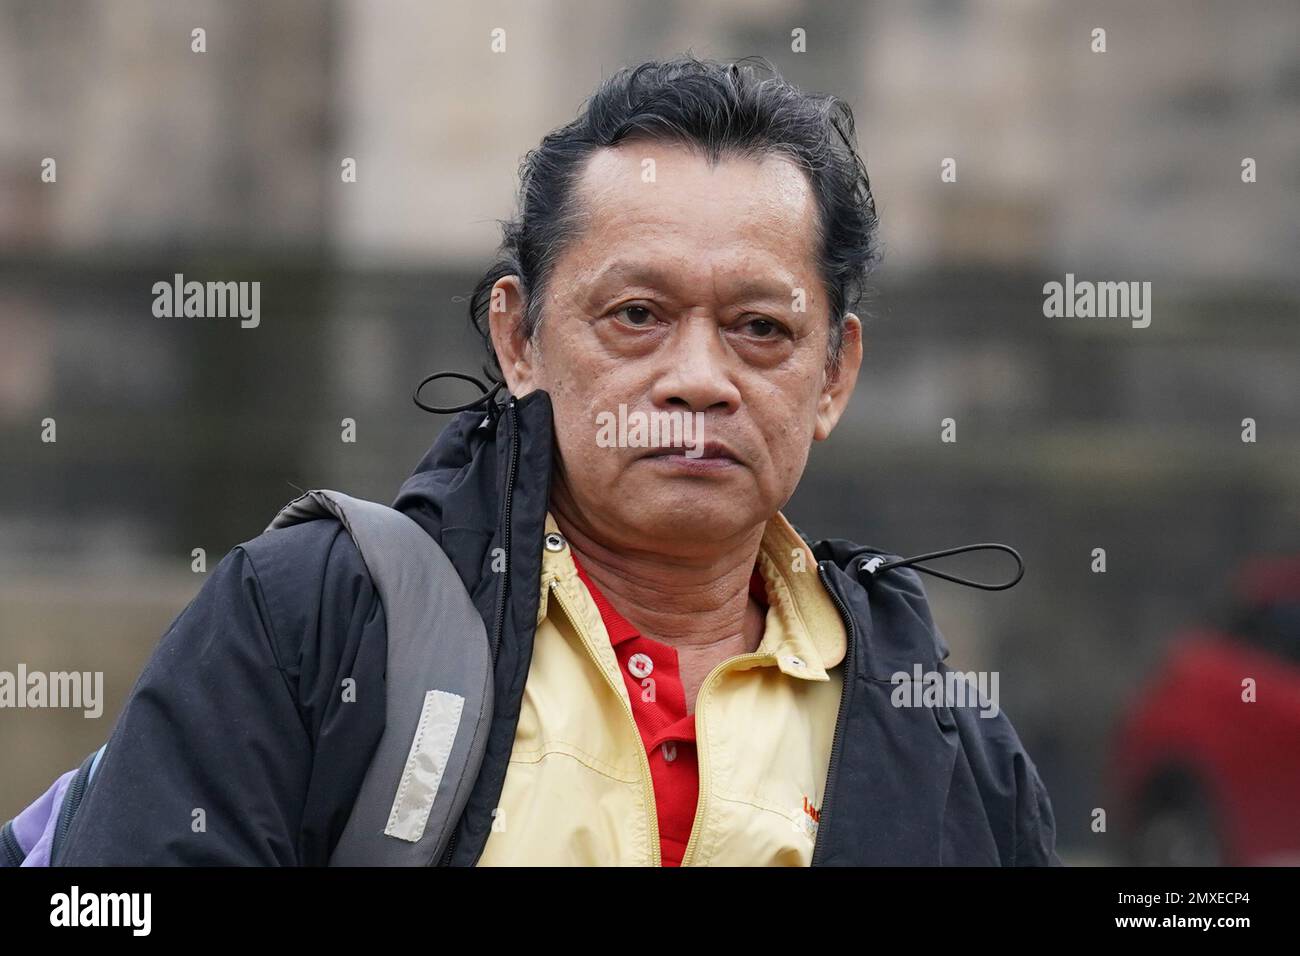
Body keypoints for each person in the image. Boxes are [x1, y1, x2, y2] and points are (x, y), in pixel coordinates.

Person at [57, 54, 1059, 866]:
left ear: (833, 374)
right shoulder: (314, 627)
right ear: (519, 339)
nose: (698, 378)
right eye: (636, 316)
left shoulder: (939, 736)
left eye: (759, 327)